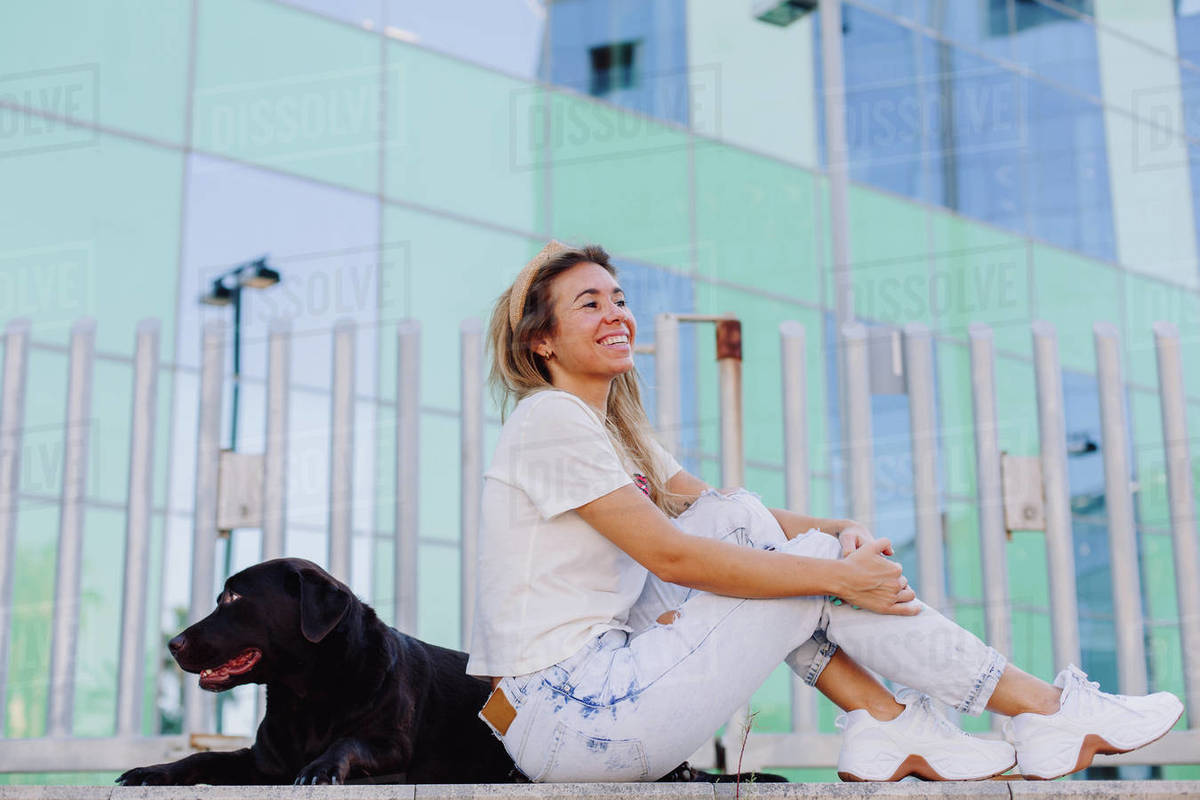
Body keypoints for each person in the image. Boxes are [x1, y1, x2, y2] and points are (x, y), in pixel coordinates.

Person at [466, 241, 1183, 783]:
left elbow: (720, 517)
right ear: (541, 338)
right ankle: (1034, 712)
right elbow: (672, 556)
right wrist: (839, 576)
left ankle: (890, 723)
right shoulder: (549, 418)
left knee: (739, 516)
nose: (616, 313)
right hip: (568, 711)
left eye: (618, 298)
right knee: (777, 554)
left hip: (610, 689)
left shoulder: (616, 433)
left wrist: (841, 536)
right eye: (589, 303)